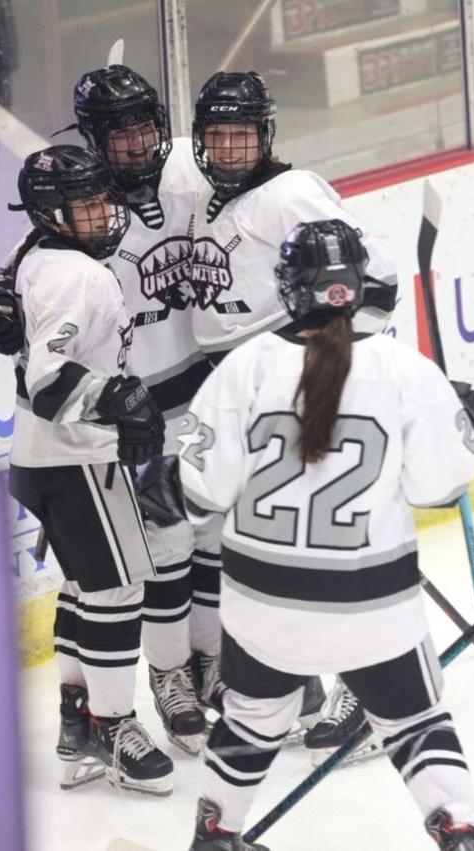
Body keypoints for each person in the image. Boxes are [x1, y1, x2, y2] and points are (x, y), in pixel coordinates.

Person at [140, 220, 474, 850]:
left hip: (263, 610)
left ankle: (217, 834)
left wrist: (159, 481)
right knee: (416, 721)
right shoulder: (408, 372)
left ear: (288, 288)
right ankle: (459, 831)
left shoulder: (245, 368)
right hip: (375, 607)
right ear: (357, 286)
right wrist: (462, 417)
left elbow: (197, 494)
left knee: (250, 720)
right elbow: (442, 488)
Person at [0, 64, 216, 755]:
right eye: (120, 130)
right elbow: (32, 268)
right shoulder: (79, 207)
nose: (137, 143)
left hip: (192, 394)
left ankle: (203, 665)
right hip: (118, 421)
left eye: (146, 126)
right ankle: (162, 682)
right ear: (93, 138)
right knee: (135, 563)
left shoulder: (189, 175)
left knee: (204, 542)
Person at [184, 70, 399, 763]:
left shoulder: (291, 193)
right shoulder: (218, 198)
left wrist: (345, 370)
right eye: (216, 135)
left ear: (265, 135)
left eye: (241, 134)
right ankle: (299, 678)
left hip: (294, 384)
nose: (228, 146)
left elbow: (378, 273)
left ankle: (363, 691)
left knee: (321, 544)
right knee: (267, 547)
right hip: (246, 388)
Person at [4, 145, 172, 795]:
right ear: (51, 212)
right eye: (88, 204)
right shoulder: (77, 275)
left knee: (85, 588)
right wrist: (118, 402)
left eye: (104, 199)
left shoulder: (36, 252)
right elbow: (49, 380)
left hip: (40, 456)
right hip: (75, 455)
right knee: (117, 591)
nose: (104, 214)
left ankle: (77, 724)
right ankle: (114, 725)